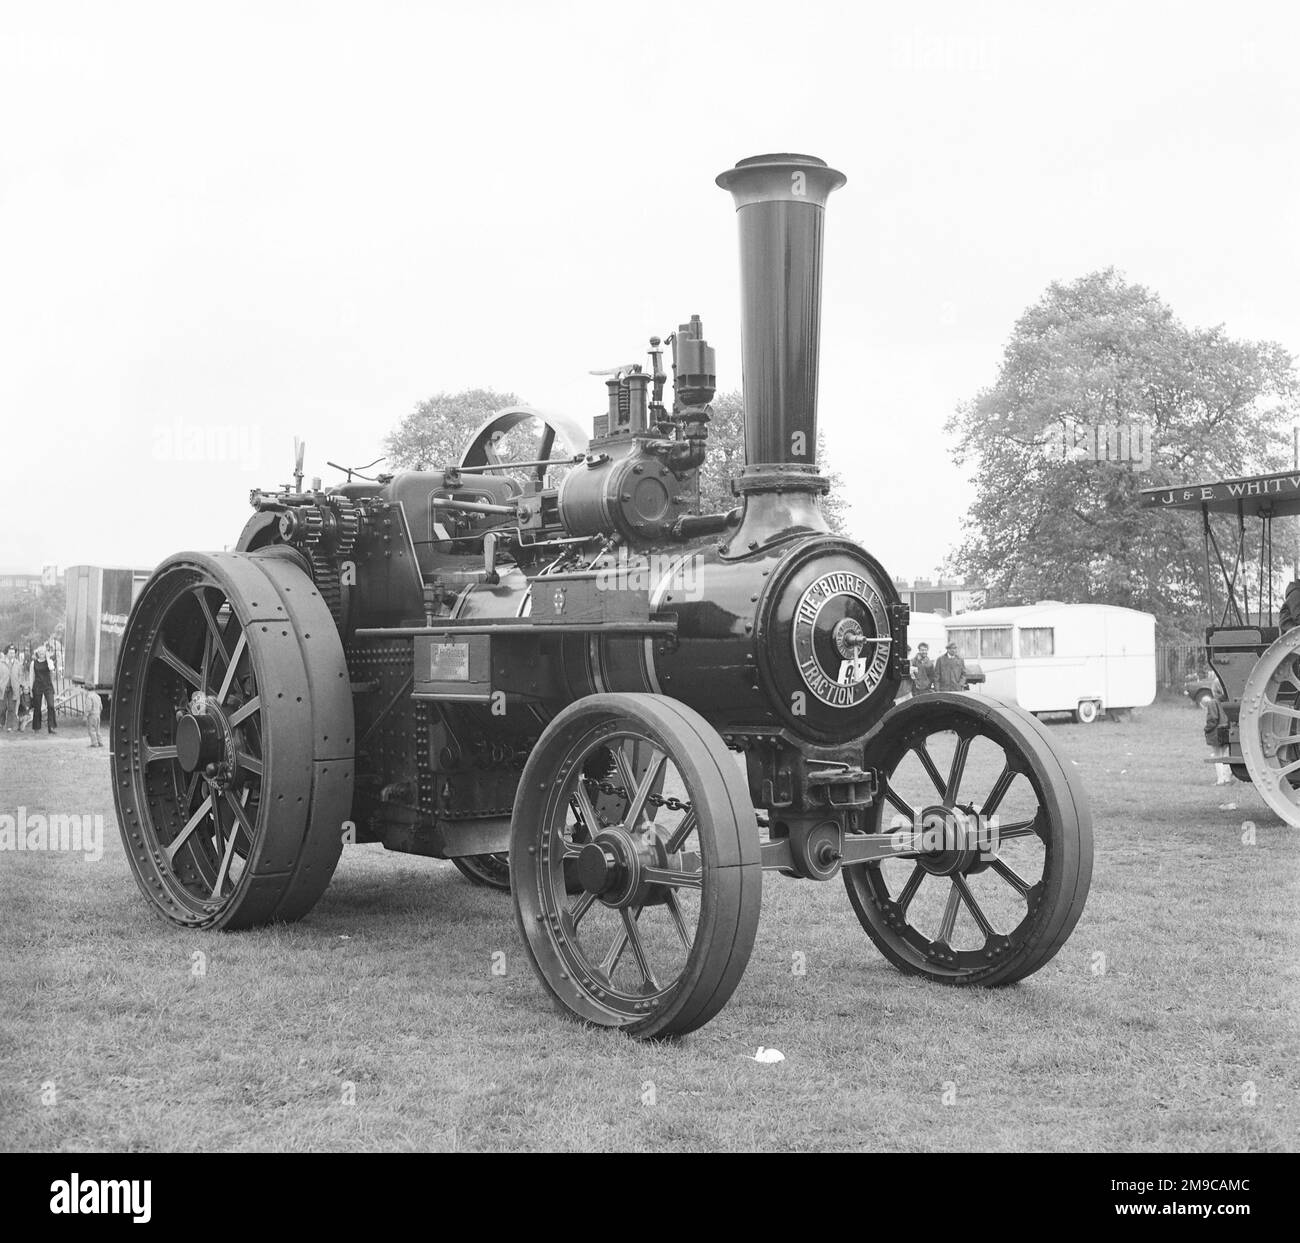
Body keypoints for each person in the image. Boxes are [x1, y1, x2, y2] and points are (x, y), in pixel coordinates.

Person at [1204, 690, 1233, 785]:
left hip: (1216, 732)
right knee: (1226, 755)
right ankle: (1227, 778)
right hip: (1227, 730)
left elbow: (1212, 719)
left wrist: (1207, 729)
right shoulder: (1228, 700)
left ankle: (1221, 780)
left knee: (1217, 756)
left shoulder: (1213, 702)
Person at [29, 642, 58, 735]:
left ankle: (51, 727)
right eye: (40, 652)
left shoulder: (49, 662)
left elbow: (52, 669)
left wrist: (48, 659)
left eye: (43, 652)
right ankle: (36, 727)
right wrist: (30, 688)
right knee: (37, 707)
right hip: (37, 686)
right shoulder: (33, 663)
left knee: (51, 705)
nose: (42, 654)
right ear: (37, 653)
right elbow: (31, 676)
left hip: (48, 686)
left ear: (45, 653)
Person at [0, 644, 18, 731]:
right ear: (6, 653)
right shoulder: (1, 663)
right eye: (10, 653)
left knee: (11, 708)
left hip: (13, 689)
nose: (12, 655)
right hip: (3, 689)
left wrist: (19, 686)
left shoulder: (18, 663)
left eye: (14, 653)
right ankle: (1, 723)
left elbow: (20, 676)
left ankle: (9, 726)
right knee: (2, 708)